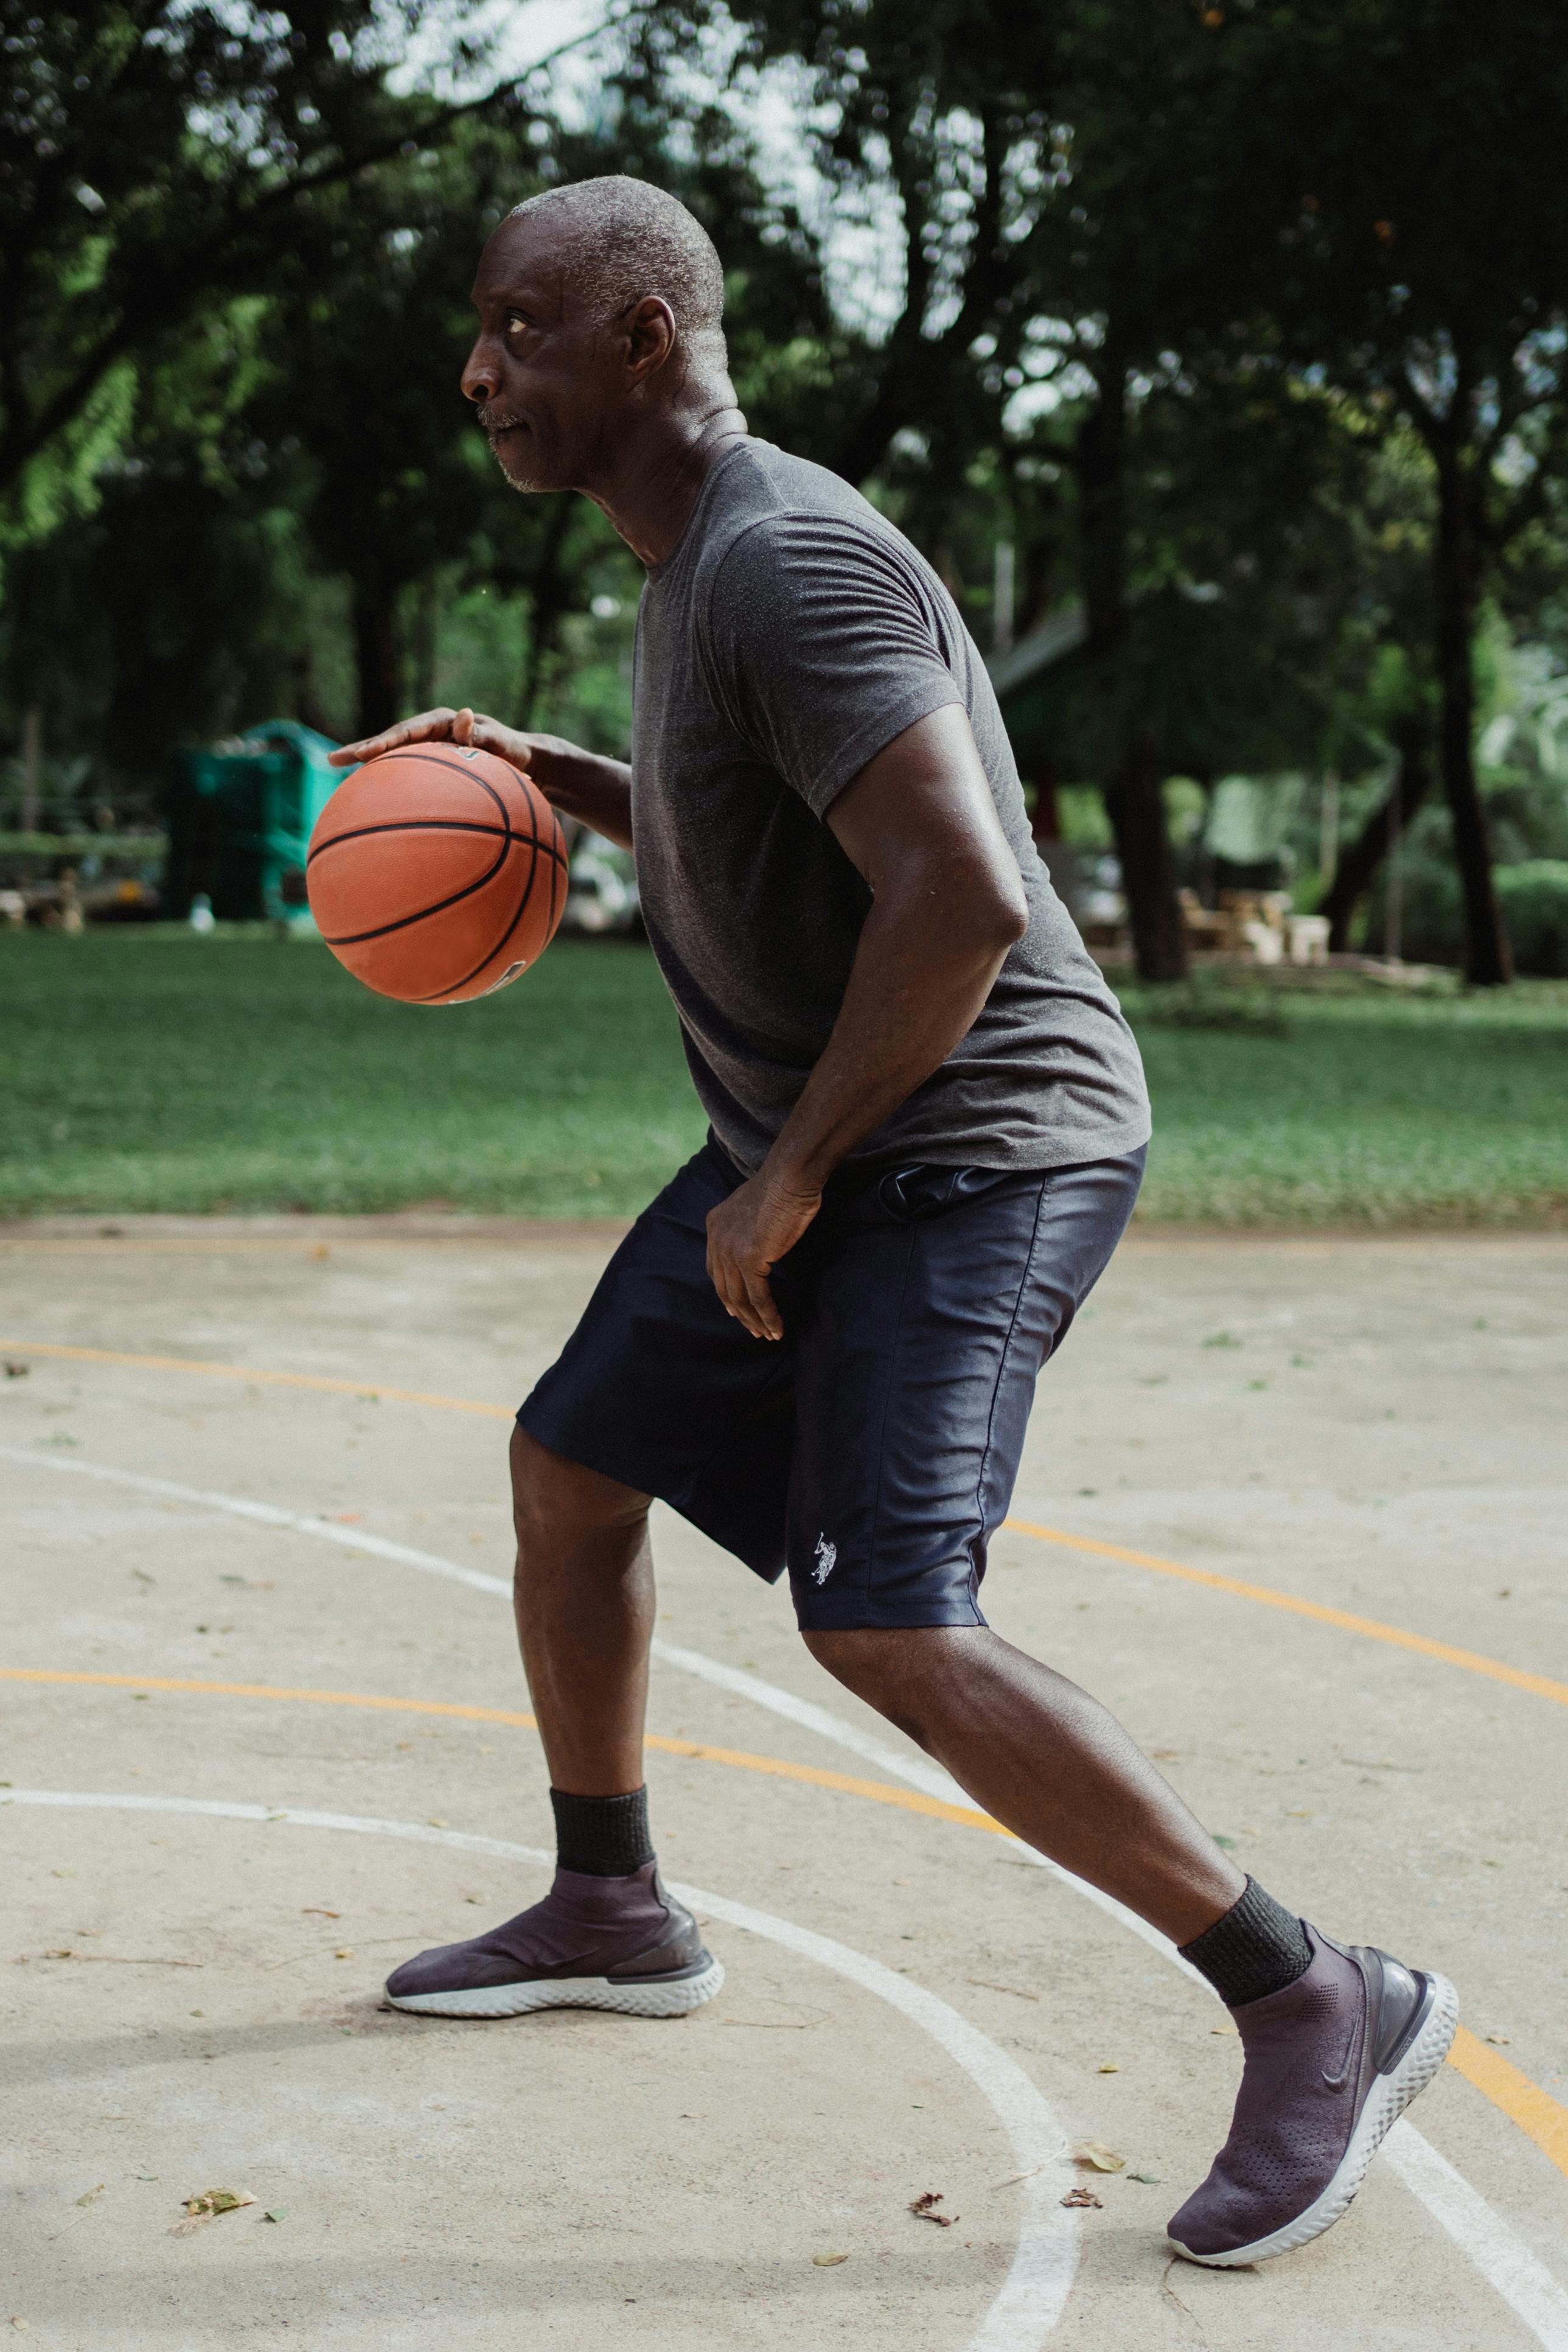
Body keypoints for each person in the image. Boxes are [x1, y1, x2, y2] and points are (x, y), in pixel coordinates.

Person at [330, 175, 1455, 2269]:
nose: (478, 369)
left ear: (644, 336)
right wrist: (551, 774)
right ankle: (612, 1898)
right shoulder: (692, 564)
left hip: (981, 1145)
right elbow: (769, 820)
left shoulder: (786, 556)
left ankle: (1320, 1993)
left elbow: (961, 891)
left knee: (887, 1616)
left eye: (517, 326)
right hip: (839, 1130)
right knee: (572, 1466)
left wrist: (786, 1178)